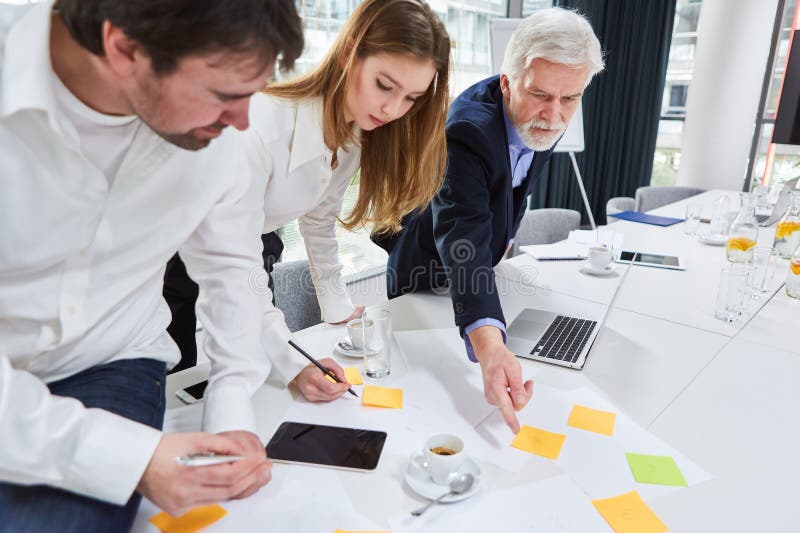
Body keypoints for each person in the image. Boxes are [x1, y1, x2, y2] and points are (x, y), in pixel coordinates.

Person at [0, 0, 303, 530]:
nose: (242, 121)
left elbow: (235, 270)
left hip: (110, 357)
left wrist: (231, 409)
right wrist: (125, 457)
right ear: (124, 49)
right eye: (225, 96)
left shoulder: (221, 138)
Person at [163, 0, 451, 401]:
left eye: (411, 98)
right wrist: (296, 364)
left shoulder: (352, 137)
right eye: (384, 85)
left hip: (252, 243)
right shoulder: (260, 128)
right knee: (178, 389)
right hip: (172, 253)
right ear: (350, 51)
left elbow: (318, 222)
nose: (393, 109)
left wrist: (336, 308)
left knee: (251, 375)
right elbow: (232, 270)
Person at [374, 8, 604, 433]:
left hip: (475, 279)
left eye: (569, 98)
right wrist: (489, 345)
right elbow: (463, 239)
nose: (554, 115)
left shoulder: (543, 109)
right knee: (423, 409)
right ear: (506, 83)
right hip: (426, 280)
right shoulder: (467, 133)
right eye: (540, 95)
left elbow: (509, 186)